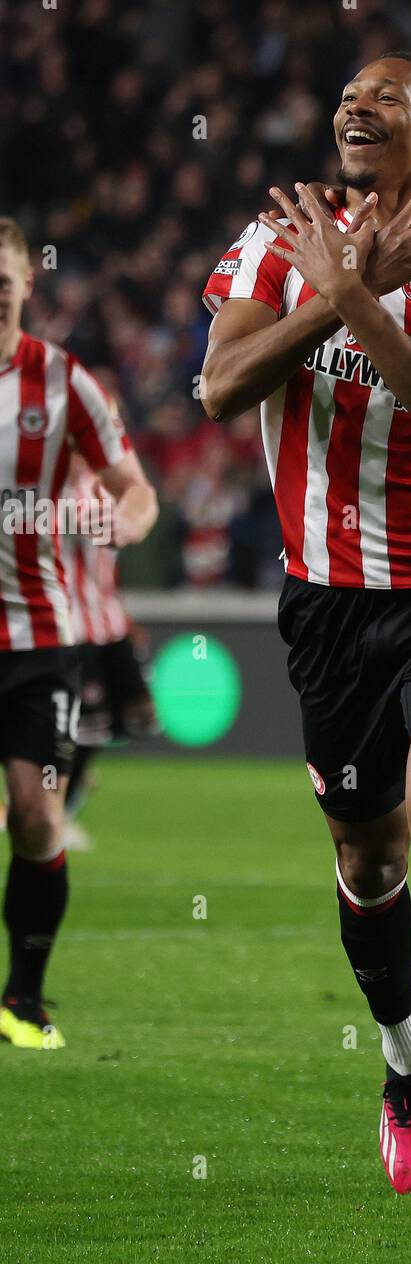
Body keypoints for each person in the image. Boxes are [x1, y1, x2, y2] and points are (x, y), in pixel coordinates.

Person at [200, 53, 411, 1194]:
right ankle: (396, 1063)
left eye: (385, 98)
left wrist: (353, 302)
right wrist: (329, 288)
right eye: (347, 96)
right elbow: (221, 383)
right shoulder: (271, 243)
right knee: (367, 850)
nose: (355, 106)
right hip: (330, 602)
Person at [0, 216, 158, 1048]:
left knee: (36, 816)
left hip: (38, 638)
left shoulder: (65, 383)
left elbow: (136, 489)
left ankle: (22, 1000)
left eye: (5, 275)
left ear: (28, 281)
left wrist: (126, 522)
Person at [61, 458, 159, 852]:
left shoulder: (109, 490)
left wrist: (125, 617)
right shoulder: (53, 490)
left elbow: (108, 567)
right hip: (74, 627)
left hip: (108, 623)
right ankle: (59, 807)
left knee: (137, 714)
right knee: (86, 725)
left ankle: (70, 789)